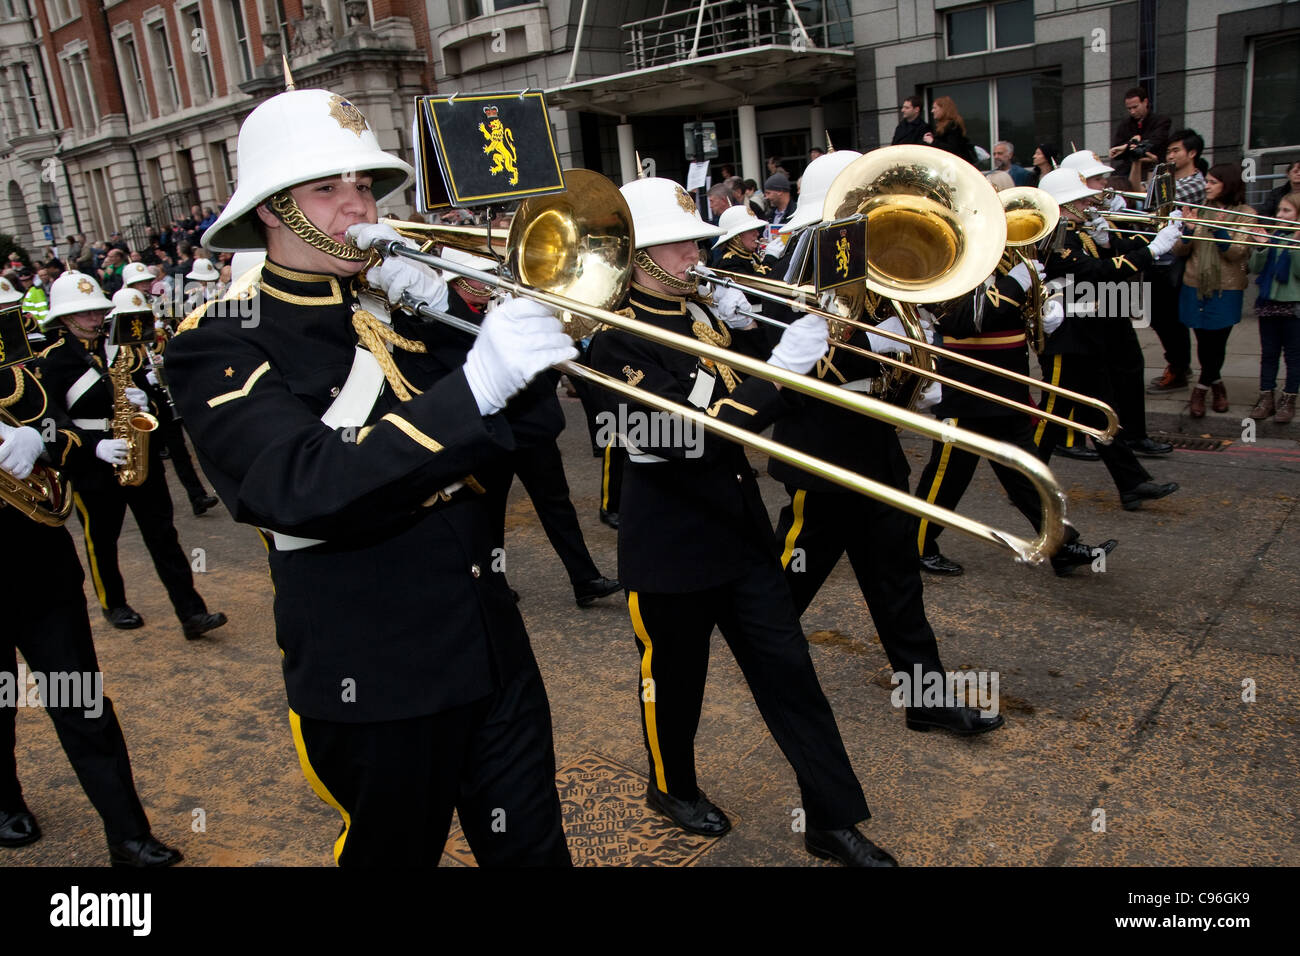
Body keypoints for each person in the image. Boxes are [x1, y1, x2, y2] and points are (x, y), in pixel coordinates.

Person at [166, 88, 572, 867]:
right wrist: (475, 385)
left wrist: (478, 321)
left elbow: (534, 429)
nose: (357, 205)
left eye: (364, 186)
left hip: (489, 646)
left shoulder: (404, 306)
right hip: (374, 671)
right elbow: (297, 488)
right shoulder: (219, 338)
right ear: (274, 210)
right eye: (328, 189)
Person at [585, 173, 896, 866]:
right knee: (675, 682)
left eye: (697, 242)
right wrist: (776, 365)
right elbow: (679, 436)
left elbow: (766, 396)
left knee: (793, 678)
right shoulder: (613, 342)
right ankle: (672, 787)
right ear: (637, 256)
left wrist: (782, 338)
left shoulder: (705, 313)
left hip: (740, 532)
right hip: (670, 544)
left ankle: (831, 817)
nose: (696, 255)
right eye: (678, 247)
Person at [0, 360, 185, 867]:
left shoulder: (11, 376)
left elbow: (67, 433)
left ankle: (128, 835)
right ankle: (4, 801)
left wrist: (35, 440)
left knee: (82, 704)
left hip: (39, 576)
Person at [32, 272, 227, 639]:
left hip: (139, 454)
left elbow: (148, 399)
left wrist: (146, 402)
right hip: (93, 462)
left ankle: (191, 612)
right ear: (64, 318)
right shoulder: (51, 361)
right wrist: (94, 446)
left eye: (96, 311)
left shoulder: (120, 349)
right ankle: (113, 602)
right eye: (84, 312)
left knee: (163, 534)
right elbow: (48, 422)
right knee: (102, 538)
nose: (94, 318)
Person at [436, 246, 621, 608]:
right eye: (482, 273)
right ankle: (493, 583)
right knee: (490, 518)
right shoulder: (443, 315)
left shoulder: (505, 304)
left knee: (558, 508)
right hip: (490, 436)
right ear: (458, 281)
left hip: (534, 430)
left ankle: (585, 579)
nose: (492, 279)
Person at [1033, 167, 1183, 511]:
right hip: (1066, 337)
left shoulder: (1078, 231)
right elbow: (1097, 272)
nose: (1090, 202)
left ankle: (1132, 483)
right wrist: (1153, 251)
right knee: (1052, 416)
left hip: (1087, 332)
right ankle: (1025, 482)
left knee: (1101, 414)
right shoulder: (1055, 235)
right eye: (1082, 199)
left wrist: (1112, 239)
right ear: (1065, 204)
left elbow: (1108, 259)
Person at [1059, 149, 1172, 458]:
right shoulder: (1070, 218)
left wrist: (1127, 237)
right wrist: (1149, 250)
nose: (1105, 185)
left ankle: (1133, 434)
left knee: (1129, 364)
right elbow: (1089, 266)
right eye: (1097, 179)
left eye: (1104, 178)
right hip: (1081, 297)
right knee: (1085, 371)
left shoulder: (1100, 209)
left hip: (1114, 292)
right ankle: (1073, 437)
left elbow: (1121, 246)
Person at [1172, 164, 1257, 417]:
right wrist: (1186, 231)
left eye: (1212, 182)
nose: (1206, 186)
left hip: (1226, 289)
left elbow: (1237, 252)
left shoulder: (1246, 214)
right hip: (1194, 285)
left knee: (1217, 341)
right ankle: (1217, 384)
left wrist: (1219, 230)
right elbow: (1179, 250)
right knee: (1203, 341)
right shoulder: (1199, 211)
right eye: (1206, 181)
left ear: (1227, 184)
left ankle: (1200, 389)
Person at [1147, 130, 1208, 394]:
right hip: (1159, 255)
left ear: (1192, 153)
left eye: (1176, 151)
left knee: (1169, 318)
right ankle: (1179, 363)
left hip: (1176, 258)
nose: (1170, 156)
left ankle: (1179, 369)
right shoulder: (1168, 178)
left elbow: (1151, 202)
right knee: (1158, 317)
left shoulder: (1195, 182)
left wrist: (1149, 183)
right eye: (1168, 151)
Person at [1248, 192, 1300, 424]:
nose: (1279, 215)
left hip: (1294, 305)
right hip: (1269, 303)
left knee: (1293, 356)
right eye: (1279, 210)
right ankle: (1266, 397)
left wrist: (1296, 244)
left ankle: (1289, 399)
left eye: (1286, 211)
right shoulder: (1275, 236)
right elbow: (1255, 267)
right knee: (1268, 354)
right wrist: (1262, 247)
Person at [1107, 86, 1171, 181]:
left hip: (1154, 168)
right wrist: (1131, 145)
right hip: (1130, 169)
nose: (1132, 111)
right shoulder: (1125, 124)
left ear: (1145, 102)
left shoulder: (1161, 121)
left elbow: (1156, 142)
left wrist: (1128, 146)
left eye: (1135, 107)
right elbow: (1117, 152)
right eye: (1129, 109)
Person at [923, 97, 978, 166]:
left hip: (956, 165)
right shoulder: (946, 126)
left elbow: (952, 148)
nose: (932, 111)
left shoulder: (953, 125)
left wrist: (932, 141)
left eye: (935, 108)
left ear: (943, 109)